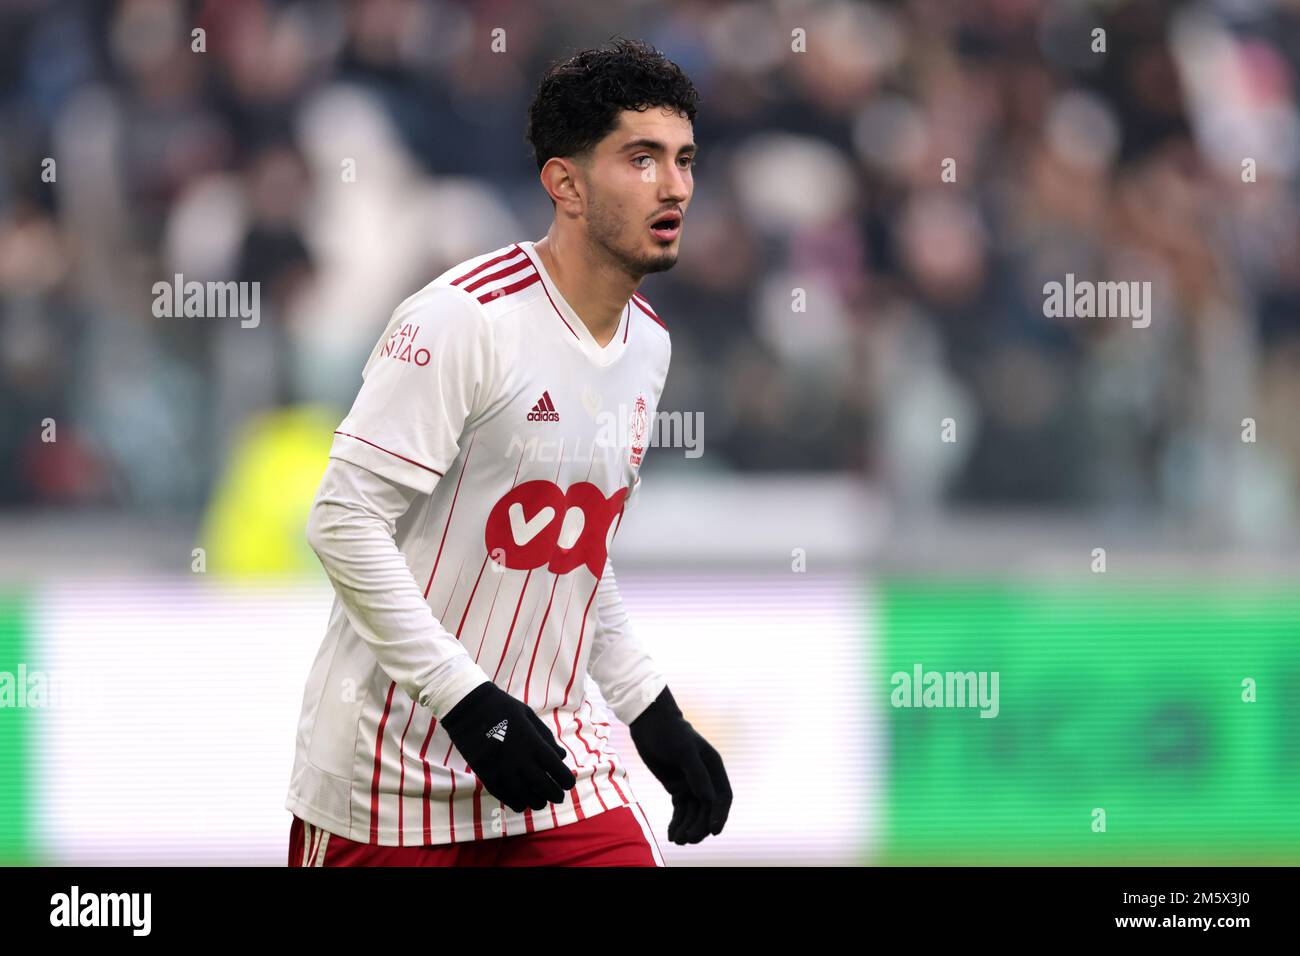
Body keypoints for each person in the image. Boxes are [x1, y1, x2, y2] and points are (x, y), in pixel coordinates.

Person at [285, 37, 731, 866]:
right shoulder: (463, 319)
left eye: (684, 159)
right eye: (641, 159)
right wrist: (468, 703)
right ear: (564, 184)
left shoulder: (650, 347)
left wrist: (650, 710)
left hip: (554, 763)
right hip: (389, 779)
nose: (675, 187)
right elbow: (342, 521)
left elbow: (573, 554)